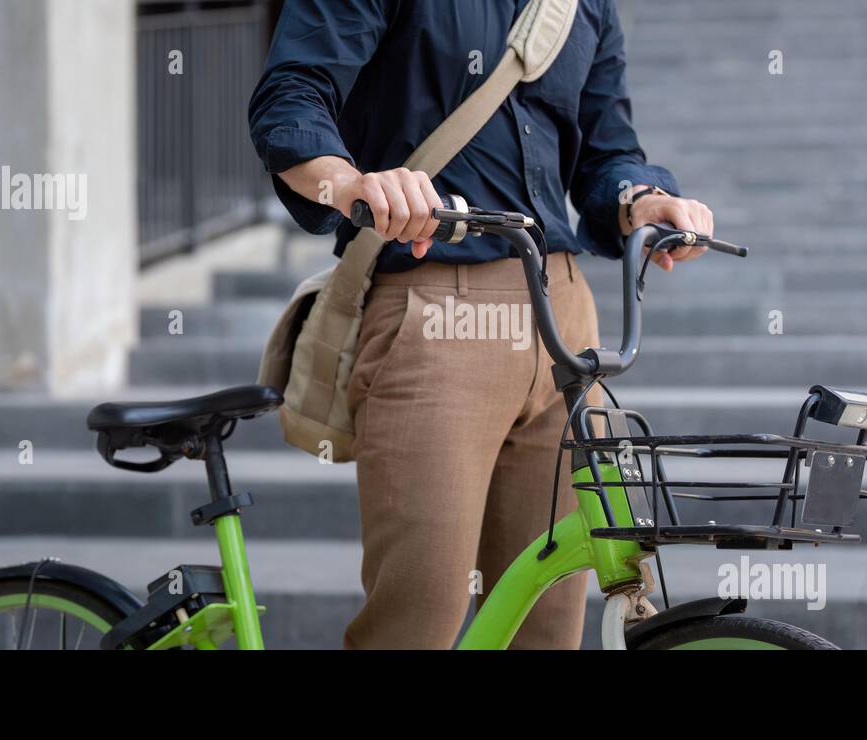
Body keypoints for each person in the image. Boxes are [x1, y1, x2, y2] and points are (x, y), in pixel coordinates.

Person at [248, 0, 712, 649]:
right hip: (436, 311)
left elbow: (607, 151)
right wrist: (352, 183)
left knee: (548, 625)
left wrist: (642, 198)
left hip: (565, 320)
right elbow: (291, 98)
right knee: (415, 621)